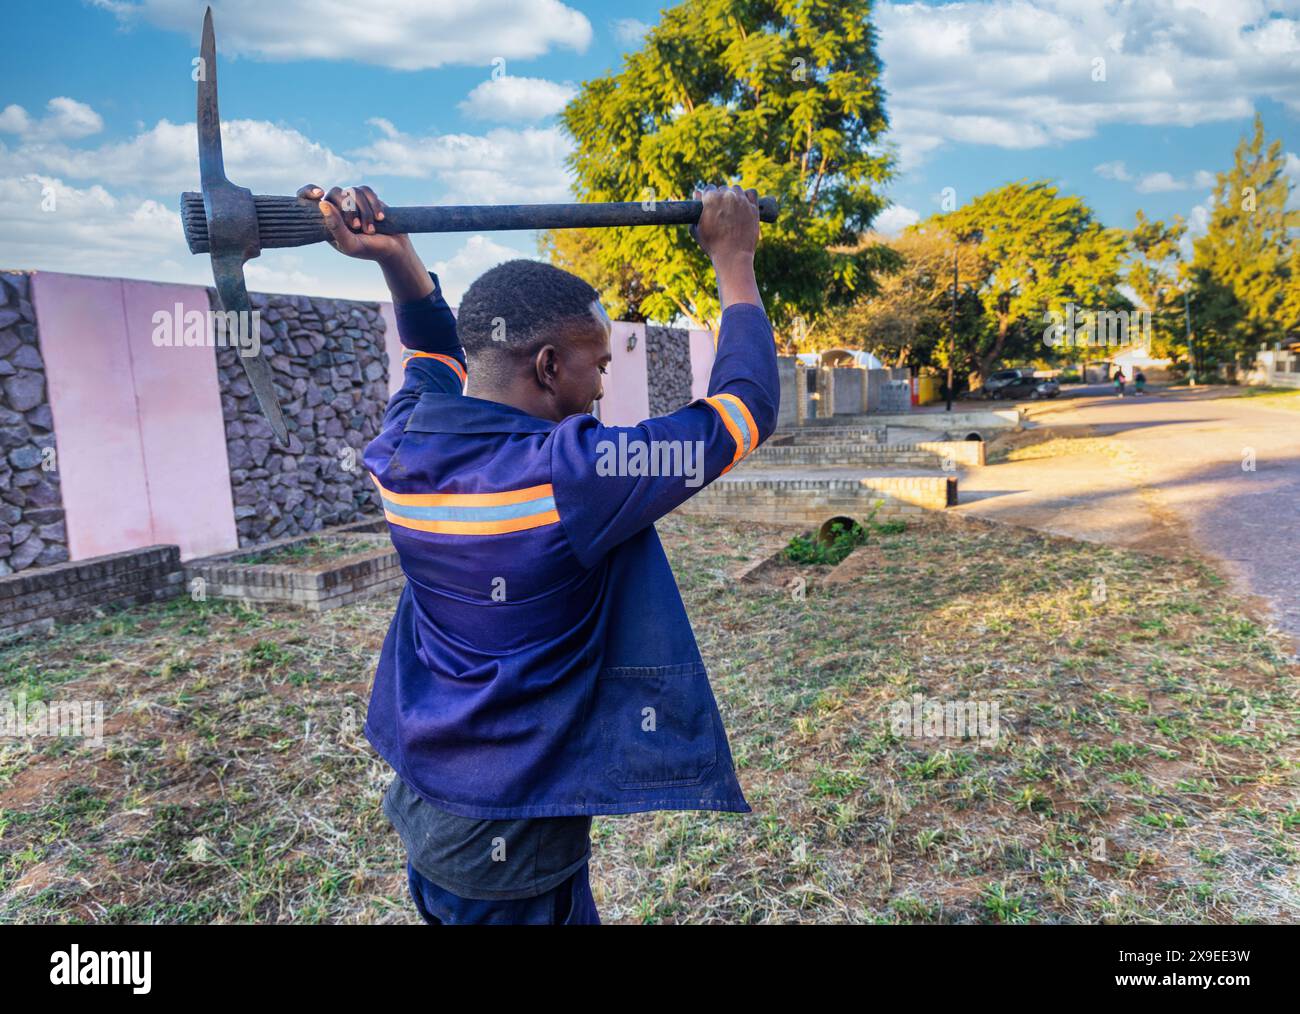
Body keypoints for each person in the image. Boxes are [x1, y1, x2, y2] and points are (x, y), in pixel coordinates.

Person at [300, 180, 778, 924]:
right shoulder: (573, 478)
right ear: (550, 366)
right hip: (512, 843)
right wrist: (734, 259)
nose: (603, 384)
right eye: (599, 364)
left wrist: (396, 257)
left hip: (433, 806)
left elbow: (431, 351)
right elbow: (746, 409)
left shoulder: (402, 443)